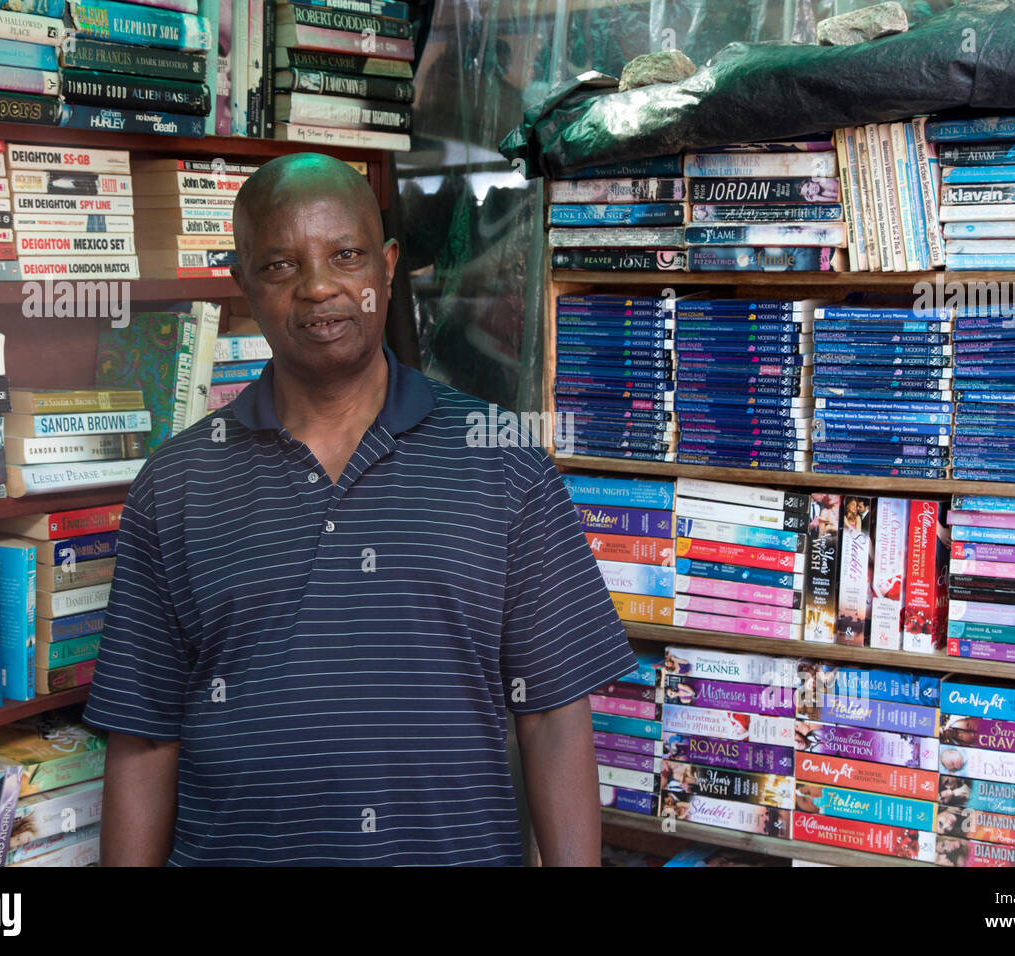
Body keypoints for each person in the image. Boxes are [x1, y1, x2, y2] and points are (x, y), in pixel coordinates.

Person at [83, 153, 636, 866]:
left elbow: (555, 716)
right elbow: (144, 732)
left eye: (345, 255)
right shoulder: (178, 482)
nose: (318, 287)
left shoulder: (503, 460)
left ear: (387, 267)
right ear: (242, 284)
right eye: (281, 265)